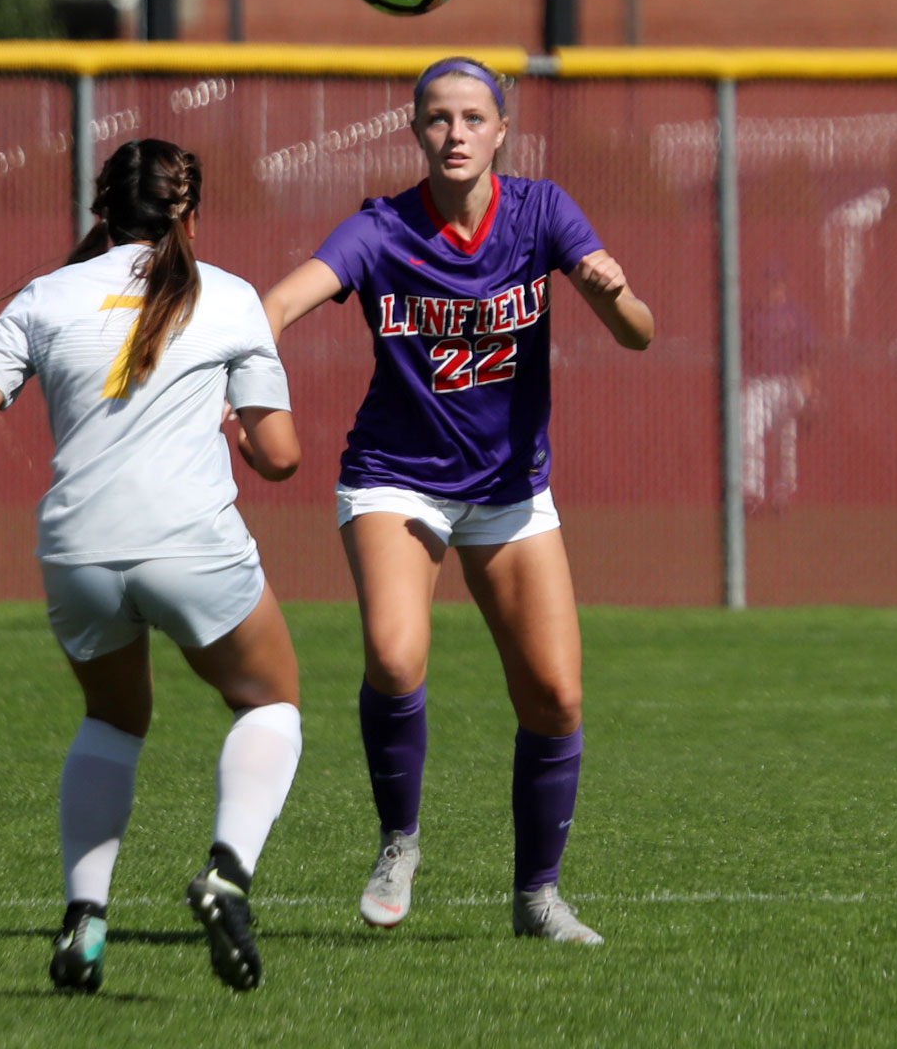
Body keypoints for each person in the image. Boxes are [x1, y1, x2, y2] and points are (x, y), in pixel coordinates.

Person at [260, 58, 654, 944]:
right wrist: (240, 383)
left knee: (555, 697)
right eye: (438, 118)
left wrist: (612, 294)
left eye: (475, 117)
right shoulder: (380, 229)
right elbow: (277, 304)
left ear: (503, 131)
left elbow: (640, 333)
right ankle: (399, 842)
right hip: (396, 475)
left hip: (509, 489)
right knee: (395, 657)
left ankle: (537, 898)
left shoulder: (542, 212)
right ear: (415, 131)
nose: (456, 133)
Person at [0, 139, 304, 994]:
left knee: (112, 721)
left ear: (100, 212)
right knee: (269, 701)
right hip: (192, 546)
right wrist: (245, 440)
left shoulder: (43, 297)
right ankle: (226, 877)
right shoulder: (230, 297)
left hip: (78, 554)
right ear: (190, 217)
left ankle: (85, 923)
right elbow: (282, 457)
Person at [741, 261, 819, 515]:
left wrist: (808, 387)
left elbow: (808, 353)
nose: (772, 286)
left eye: (777, 281)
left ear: (784, 284)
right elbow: (741, 350)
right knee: (749, 433)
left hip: (788, 382)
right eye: (769, 281)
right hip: (757, 383)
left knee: (786, 440)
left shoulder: (796, 315)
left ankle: (783, 492)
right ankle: (752, 492)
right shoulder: (751, 315)